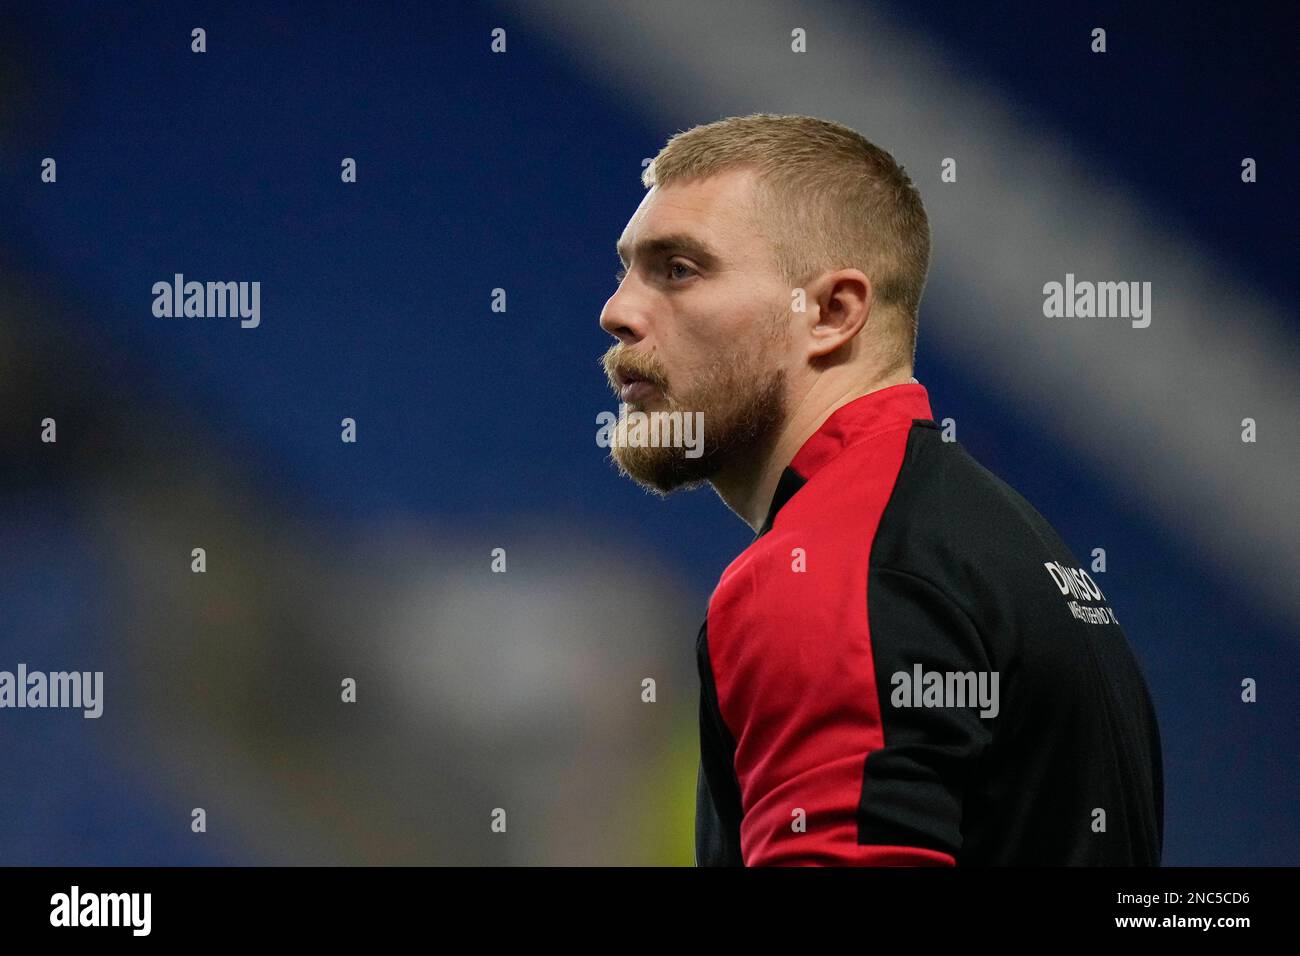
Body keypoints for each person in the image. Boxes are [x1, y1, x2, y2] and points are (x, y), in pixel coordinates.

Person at [598, 113, 1162, 866]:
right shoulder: (1009, 550)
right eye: (627, 270)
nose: (618, 313)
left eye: (677, 269)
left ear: (832, 313)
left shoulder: (826, 573)